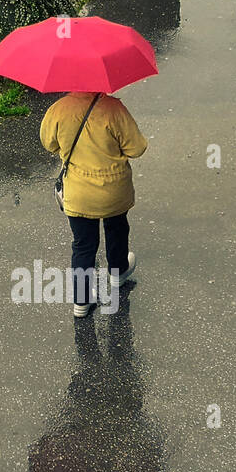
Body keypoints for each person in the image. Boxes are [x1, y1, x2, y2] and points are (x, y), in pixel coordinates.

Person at [40, 91, 147, 317]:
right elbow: (136, 148)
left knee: (83, 244)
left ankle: (81, 301)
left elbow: (49, 144)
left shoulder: (59, 109)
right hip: (113, 190)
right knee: (117, 227)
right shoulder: (114, 109)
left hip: (79, 192)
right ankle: (118, 272)